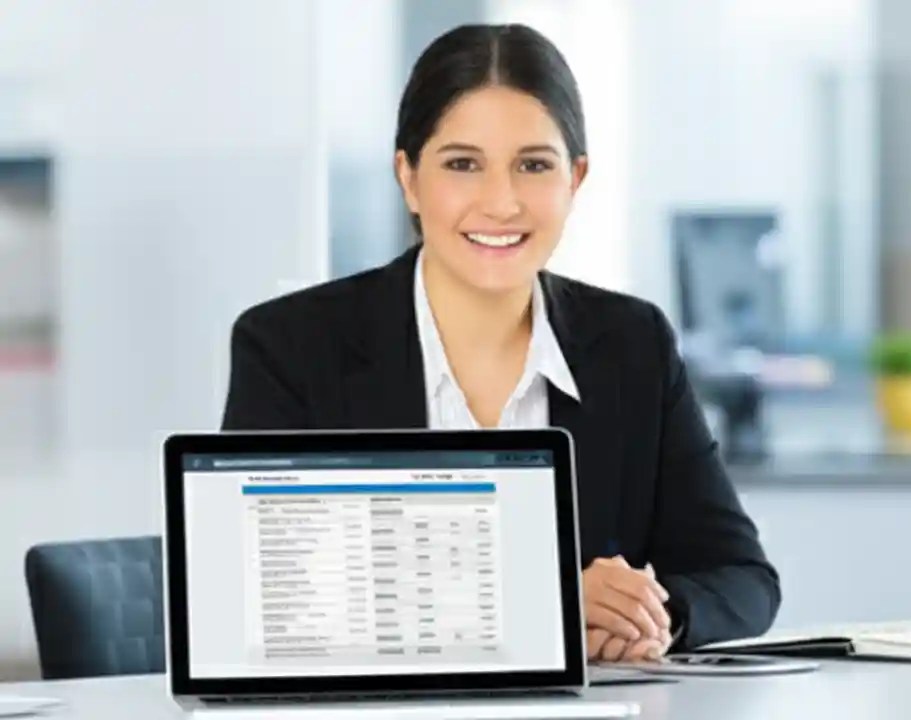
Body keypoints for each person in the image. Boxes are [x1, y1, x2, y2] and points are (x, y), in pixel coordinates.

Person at [220, 24, 780, 662]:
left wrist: (649, 617)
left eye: (533, 166)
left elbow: (742, 580)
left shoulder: (632, 344)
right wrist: (549, 608)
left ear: (576, 179)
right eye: (462, 164)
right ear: (408, 178)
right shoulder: (291, 347)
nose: (501, 202)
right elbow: (272, 600)